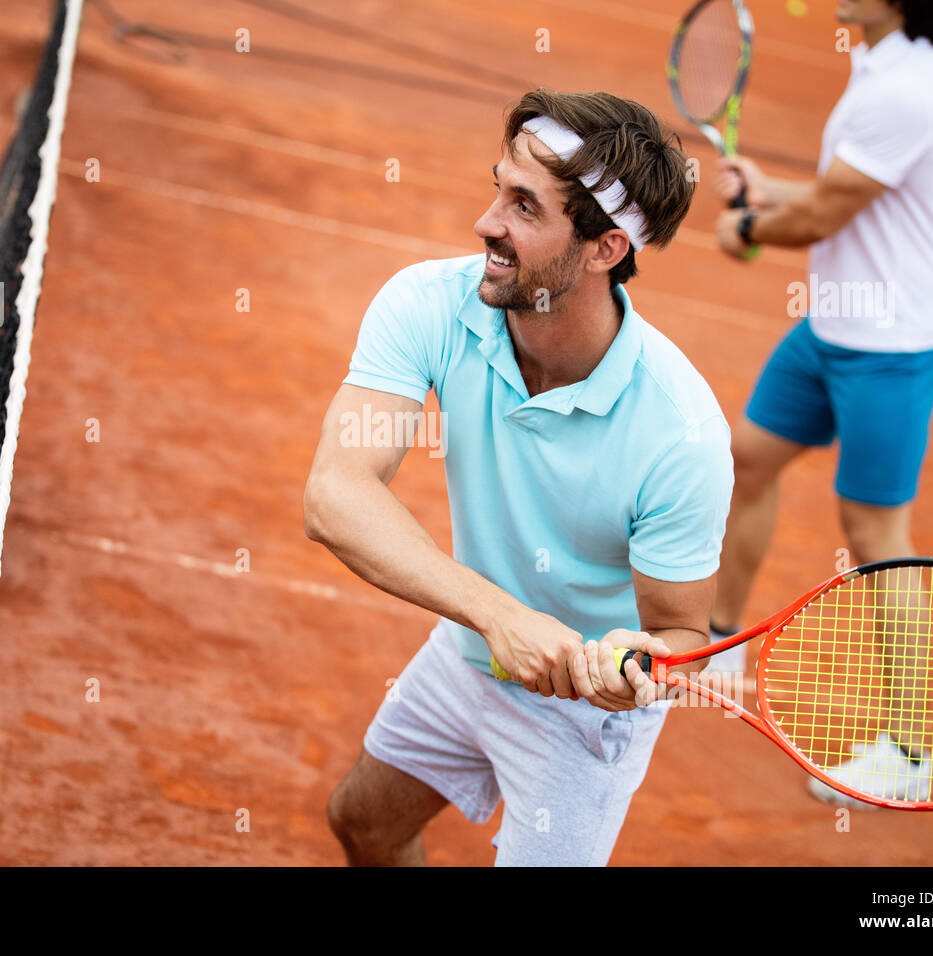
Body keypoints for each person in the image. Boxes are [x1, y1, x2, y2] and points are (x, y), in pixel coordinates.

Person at [304, 89, 733, 865]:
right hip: (470, 647)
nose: (486, 223)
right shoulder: (430, 303)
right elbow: (336, 493)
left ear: (604, 249)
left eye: (525, 208)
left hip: (585, 720)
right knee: (363, 825)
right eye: (498, 188)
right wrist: (498, 617)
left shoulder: (682, 435)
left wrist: (637, 669)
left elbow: (681, 635)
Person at [709, 0, 933, 804]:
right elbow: (836, 190)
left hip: (892, 347)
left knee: (874, 534)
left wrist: (749, 224)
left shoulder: (907, 88)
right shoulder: (881, 64)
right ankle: (719, 644)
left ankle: (907, 756)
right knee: (748, 460)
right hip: (833, 327)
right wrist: (768, 187)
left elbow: (826, 213)